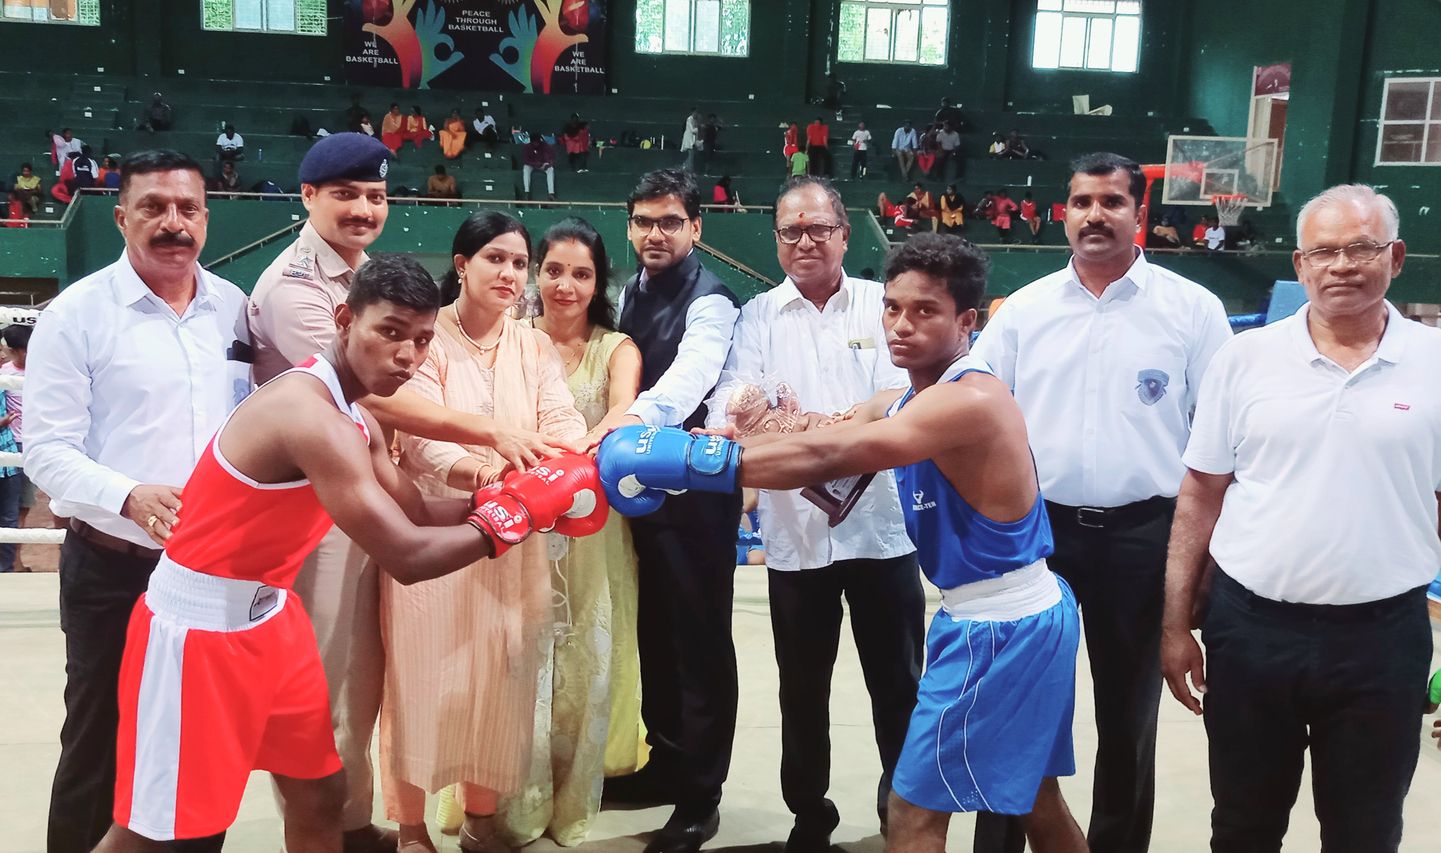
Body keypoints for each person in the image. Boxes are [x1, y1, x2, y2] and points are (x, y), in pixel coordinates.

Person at [90, 254, 609, 852]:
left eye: (420, 340)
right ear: (344, 319)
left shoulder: (353, 411)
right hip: (199, 631)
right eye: (389, 332)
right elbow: (408, 555)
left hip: (271, 620)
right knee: (154, 834)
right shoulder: (310, 416)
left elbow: (416, 509)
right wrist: (512, 520)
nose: (408, 356)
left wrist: (517, 498)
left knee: (319, 794)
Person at [597, 232, 1087, 853]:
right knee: (1036, 799)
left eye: (925, 311)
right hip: (1016, 613)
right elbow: (818, 427)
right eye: (892, 307)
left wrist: (693, 461)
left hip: (998, 626)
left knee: (912, 811)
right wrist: (705, 437)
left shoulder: (967, 401)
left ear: (967, 319)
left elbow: (836, 452)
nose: (901, 325)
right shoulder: (909, 395)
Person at [247, 133, 571, 853]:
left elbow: (417, 500)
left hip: (376, 489)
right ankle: (330, 829)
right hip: (313, 515)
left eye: (376, 195)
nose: (364, 208)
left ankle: (360, 826)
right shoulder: (297, 290)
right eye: (346, 194)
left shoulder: (370, 274)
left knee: (367, 687)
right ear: (307, 196)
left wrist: (506, 496)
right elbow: (379, 399)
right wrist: (495, 459)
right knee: (323, 696)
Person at [1163, 184, 1438, 853]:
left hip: (1382, 640)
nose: (1340, 264)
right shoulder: (1244, 359)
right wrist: (1173, 625)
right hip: (1252, 632)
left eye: (1360, 247)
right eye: (1323, 251)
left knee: (1365, 832)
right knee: (1242, 825)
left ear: (1394, 257)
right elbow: (1199, 494)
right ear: (1298, 264)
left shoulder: (1433, 363)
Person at [970, 152, 1232, 853]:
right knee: (1014, 708)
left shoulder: (1191, 311)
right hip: (1038, 536)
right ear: (1063, 212)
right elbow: (968, 410)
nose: (1094, 214)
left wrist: (1204, 561)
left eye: (1111, 201)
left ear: (1137, 213)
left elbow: (1226, 442)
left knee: (1127, 719)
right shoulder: (1022, 312)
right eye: (1081, 201)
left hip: (1144, 536)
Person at [27, 149, 246, 853]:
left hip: (213, 572)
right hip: (113, 567)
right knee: (100, 741)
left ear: (206, 218)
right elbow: (47, 450)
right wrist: (128, 494)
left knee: (198, 741)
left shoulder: (235, 312)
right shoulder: (76, 314)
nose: (172, 223)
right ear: (122, 217)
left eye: (186, 208)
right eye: (153, 207)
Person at [707, 176, 923, 852]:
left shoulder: (880, 305)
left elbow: (909, 389)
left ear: (842, 234)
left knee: (899, 685)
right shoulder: (757, 316)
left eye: (817, 229)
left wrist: (841, 423)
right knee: (801, 690)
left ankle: (903, 804)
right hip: (796, 537)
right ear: (775, 238)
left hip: (883, 529)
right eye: (790, 231)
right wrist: (754, 417)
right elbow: (735, 407)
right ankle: (808, 812)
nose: (804, 241)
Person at [382, 212, 589, 852]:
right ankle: (413, 828)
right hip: (436, 534)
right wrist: (487, 476)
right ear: (462, 263)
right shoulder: (429, 336)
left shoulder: (532, 345)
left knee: (502, 678)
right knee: (422, 683)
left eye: (518, 263)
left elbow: (560, 421)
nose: (508, 274)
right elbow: (420, 440)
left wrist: (559, 471)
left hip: (516, 537)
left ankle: (480, 818)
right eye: (494, 259)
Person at [600, 168, 742, 853]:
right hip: (638, 491)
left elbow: (692, 374)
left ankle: (700, 795)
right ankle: (665, 763)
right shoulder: (630, 289)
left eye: (669, 221)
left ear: (695, 227)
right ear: (628, 227)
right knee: (653, 633)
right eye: (643, 221)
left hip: (695, 499)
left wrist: (627, 421)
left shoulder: (712, 299)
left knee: (700, 642)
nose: (655, 233)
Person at [501, 217, 647, 846]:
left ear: (598, 282)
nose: (565, 284)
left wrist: (580, 455)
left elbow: (622, 409)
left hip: (593, 529)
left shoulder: (617, 348)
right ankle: (511, 800)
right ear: (536, 273)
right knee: (516, 657)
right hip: (519, 527)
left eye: (581, 273)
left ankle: (571, 802)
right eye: (553, 270)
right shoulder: (509, 339)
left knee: (588, 657)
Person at [0, 324, 33, 571]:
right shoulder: (5, 374)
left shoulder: (43, 370)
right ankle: (11, 564)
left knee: (22, 506)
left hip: (33, 444)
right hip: (12, 444)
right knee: (10, 509)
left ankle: (14, 562)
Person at [523, 135, 557, 201]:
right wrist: (535, 164)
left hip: (543, 165)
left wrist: (548, 164)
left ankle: (551, 194)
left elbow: (552, 158)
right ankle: (527, 193)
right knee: (526, 168)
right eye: (534, 142)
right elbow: (526, 160)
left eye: (537, 142)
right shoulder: (527, 147)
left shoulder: (545, 146)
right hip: (532, 165)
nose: (536, 144)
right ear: (531, 141)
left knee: (551, 169)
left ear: (539, 141)